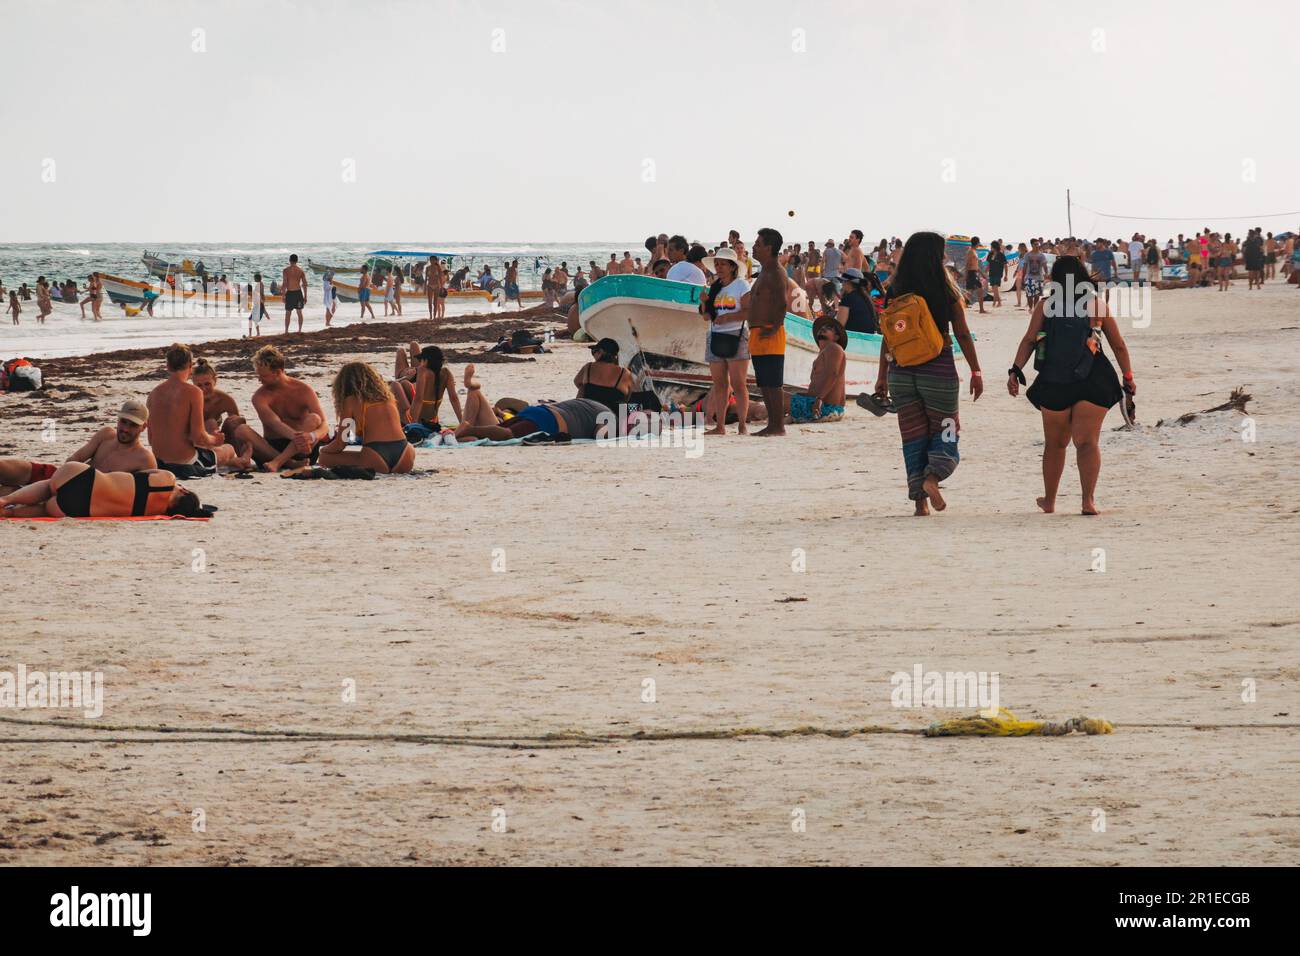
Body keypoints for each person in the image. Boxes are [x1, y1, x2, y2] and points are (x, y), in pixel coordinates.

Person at [1007, 255, 1135, 516]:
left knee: (1054, 444)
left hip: (1055, 380)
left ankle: (1050, 501)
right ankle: (1087, 501)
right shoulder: (1095, 304)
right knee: (1087, 443)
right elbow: (1118, 345)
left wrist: (1015, 370)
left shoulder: (1046, 305)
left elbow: (1030, 340)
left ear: (1055, 278)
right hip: (1093, 379)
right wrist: (1128, 377)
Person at [872, 231, 983, 515]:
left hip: (901, 371)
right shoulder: (945, 290)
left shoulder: (895, 290)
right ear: (936, 256)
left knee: (913, 435)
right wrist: (976, 370)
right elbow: (963, 334)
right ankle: (933, 477)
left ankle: (920, 504)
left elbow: (889, 335)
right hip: (938, 370)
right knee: (946, 428)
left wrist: (882, 375)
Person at [0, 401, 157, 496]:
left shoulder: (145, 459)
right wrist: (65, 475)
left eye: (133, 425)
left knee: (9, 493)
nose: (126, 429)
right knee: (12, 468)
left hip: (80, 496)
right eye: (124, 422)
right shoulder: (106, 434)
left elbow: (142, 495)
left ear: (144, 427)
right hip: (63, 477)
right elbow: (75, 458)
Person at [146, 343, 249, 477]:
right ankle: (230, 462)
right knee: (228, 449)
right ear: (190, 366)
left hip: (160, 462)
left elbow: (150, 439)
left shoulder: (153, 394)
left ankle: (227, 462)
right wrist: (215, 440)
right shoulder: (193, 392)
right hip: (187, 463)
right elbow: (199, 436)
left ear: (168, 366)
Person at [454, 365, 611, 442]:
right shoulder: (609, 416)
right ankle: (470, 428)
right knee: (508, 435)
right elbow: (601, 436)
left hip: (536, 412)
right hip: (549, 422)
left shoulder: (587, 403)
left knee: (493, 432)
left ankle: (466, 432)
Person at [235, 345, 330, 471]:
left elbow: (324, 425)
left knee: (314, 418)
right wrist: (298, 438)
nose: (259, 380)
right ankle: (288, 463)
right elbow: (275, 424)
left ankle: (279, 462)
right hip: (272, 449)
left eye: (263, 376)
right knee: (241, 430)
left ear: (278, 372)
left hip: (302, 450)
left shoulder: (303, 390)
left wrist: (311, 436)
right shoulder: (259, 397)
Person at [0, 462, 205, 519]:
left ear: (184, 491)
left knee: (48, 486)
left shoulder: (167, 479)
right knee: (46, 507)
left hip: (82, 479)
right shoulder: (155, 513)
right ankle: (8, 512)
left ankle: (5, 500)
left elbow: (142, 472)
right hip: (74, 509)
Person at [316, 362, 415, 474]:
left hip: (376, 454)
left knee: (324, 458)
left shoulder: (351, 401)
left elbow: (340, 444)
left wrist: (323, 450)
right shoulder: (388, 398)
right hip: (405, 452)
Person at [698, 246, 751, 435]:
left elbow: (748, 311)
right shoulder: (715, 287)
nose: (718, 267)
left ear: (732, 266)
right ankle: (720, 426)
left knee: (738, 383)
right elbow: (706, 317)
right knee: (720, 383)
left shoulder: (741, 285)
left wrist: (727, 318)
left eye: (722, 264)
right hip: (715, 335)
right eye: (717, 264)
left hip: (736, 334)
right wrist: (704, 301)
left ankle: (742, 425)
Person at [747, 227, 789, 437]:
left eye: (758, 244)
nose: (753, 247)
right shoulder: (764, 270)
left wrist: (773, 328)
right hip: (758, 332)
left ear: (769, 248)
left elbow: (783, 303)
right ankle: (772, 424)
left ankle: (778, 426)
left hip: (769, 332)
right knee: (764, 381)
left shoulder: (776, 272)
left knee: (773, 381)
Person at [787, 316, 847, 423]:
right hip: (816, 404)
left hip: (826, 408)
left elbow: (833, 374)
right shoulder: (824, 353)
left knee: (775, 396)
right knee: (779, 395)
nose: (823, 328)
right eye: (822, 327)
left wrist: (819, 399)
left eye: (829, 328)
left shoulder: (834, 348)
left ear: (836, 337)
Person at [405, 345, 464, 440]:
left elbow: (418, 399)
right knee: (406, 386)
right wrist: (462, 421)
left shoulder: (422, 371)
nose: (420, 363)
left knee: (398, 385)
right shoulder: (446, 373)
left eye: (421, 360)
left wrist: (413, 425)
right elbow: (454, 399)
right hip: (433, 419)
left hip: (415, 418)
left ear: (426, 361)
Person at [573, 338, 633, 415]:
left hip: (589, 413)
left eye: (594, 351)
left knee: (583, 388)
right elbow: (627, 397)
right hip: (614, 415)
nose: (593, 354)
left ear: (601, 352)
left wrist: (592, 390)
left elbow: (576, 382)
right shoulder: (624, 373)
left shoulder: (588, 367)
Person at [836, 268, 878, 334]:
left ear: (848, 282)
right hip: (867, 339)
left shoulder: (847, 299)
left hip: (852, 338)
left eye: (843, 281)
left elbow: (839, 327)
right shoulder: (866, 298)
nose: (842, 284)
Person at [282, 253, 307, 333]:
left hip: (290, 294)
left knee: (288, 313)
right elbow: (305, 284)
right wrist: (305, 296)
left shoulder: (286, 270)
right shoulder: (301, 270)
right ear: (297, 261)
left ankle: (286, 331)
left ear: (289, 260)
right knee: (299, 312)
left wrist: (283, 295)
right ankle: (299, 330)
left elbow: (284, 284)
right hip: (298, 294)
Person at [248, 271, 268, 336]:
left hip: (259, 304)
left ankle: (252, 334)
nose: (254, 279)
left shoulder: (258, 285)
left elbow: (259, 294)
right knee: (253, 320)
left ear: (256, 279)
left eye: (254, 278)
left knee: (251, 319)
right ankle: (256, 333)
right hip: (259, 303)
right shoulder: (261, 284)